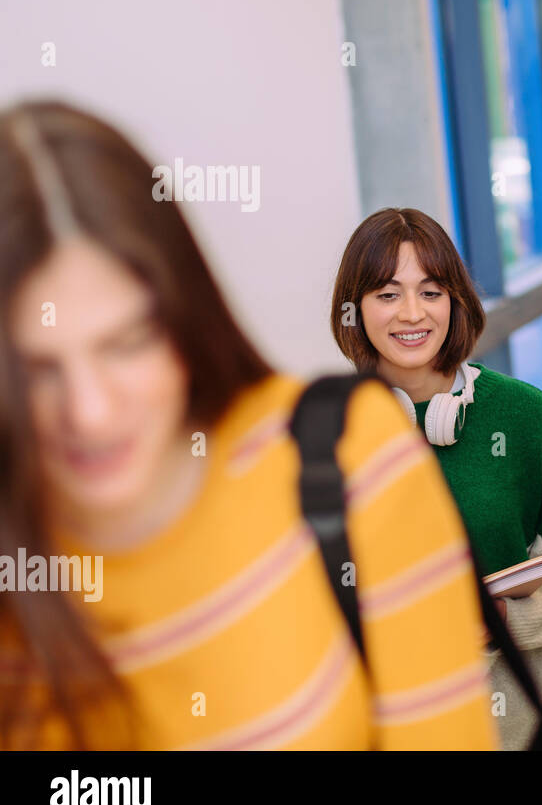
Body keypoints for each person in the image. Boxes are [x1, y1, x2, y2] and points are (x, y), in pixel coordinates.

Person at [0, 102, 497, 749]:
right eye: (36, 370)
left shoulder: (350, 459)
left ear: (183, 315)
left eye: (126, 343)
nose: (89, 412)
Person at [330, 208, 542, 750]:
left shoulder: (525, 415)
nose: (412, 313)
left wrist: (507, 616)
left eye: (431, 292)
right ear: (354, 309)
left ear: (455, 301)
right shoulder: (326, 433)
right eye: (387, 294)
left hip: (518, 731)